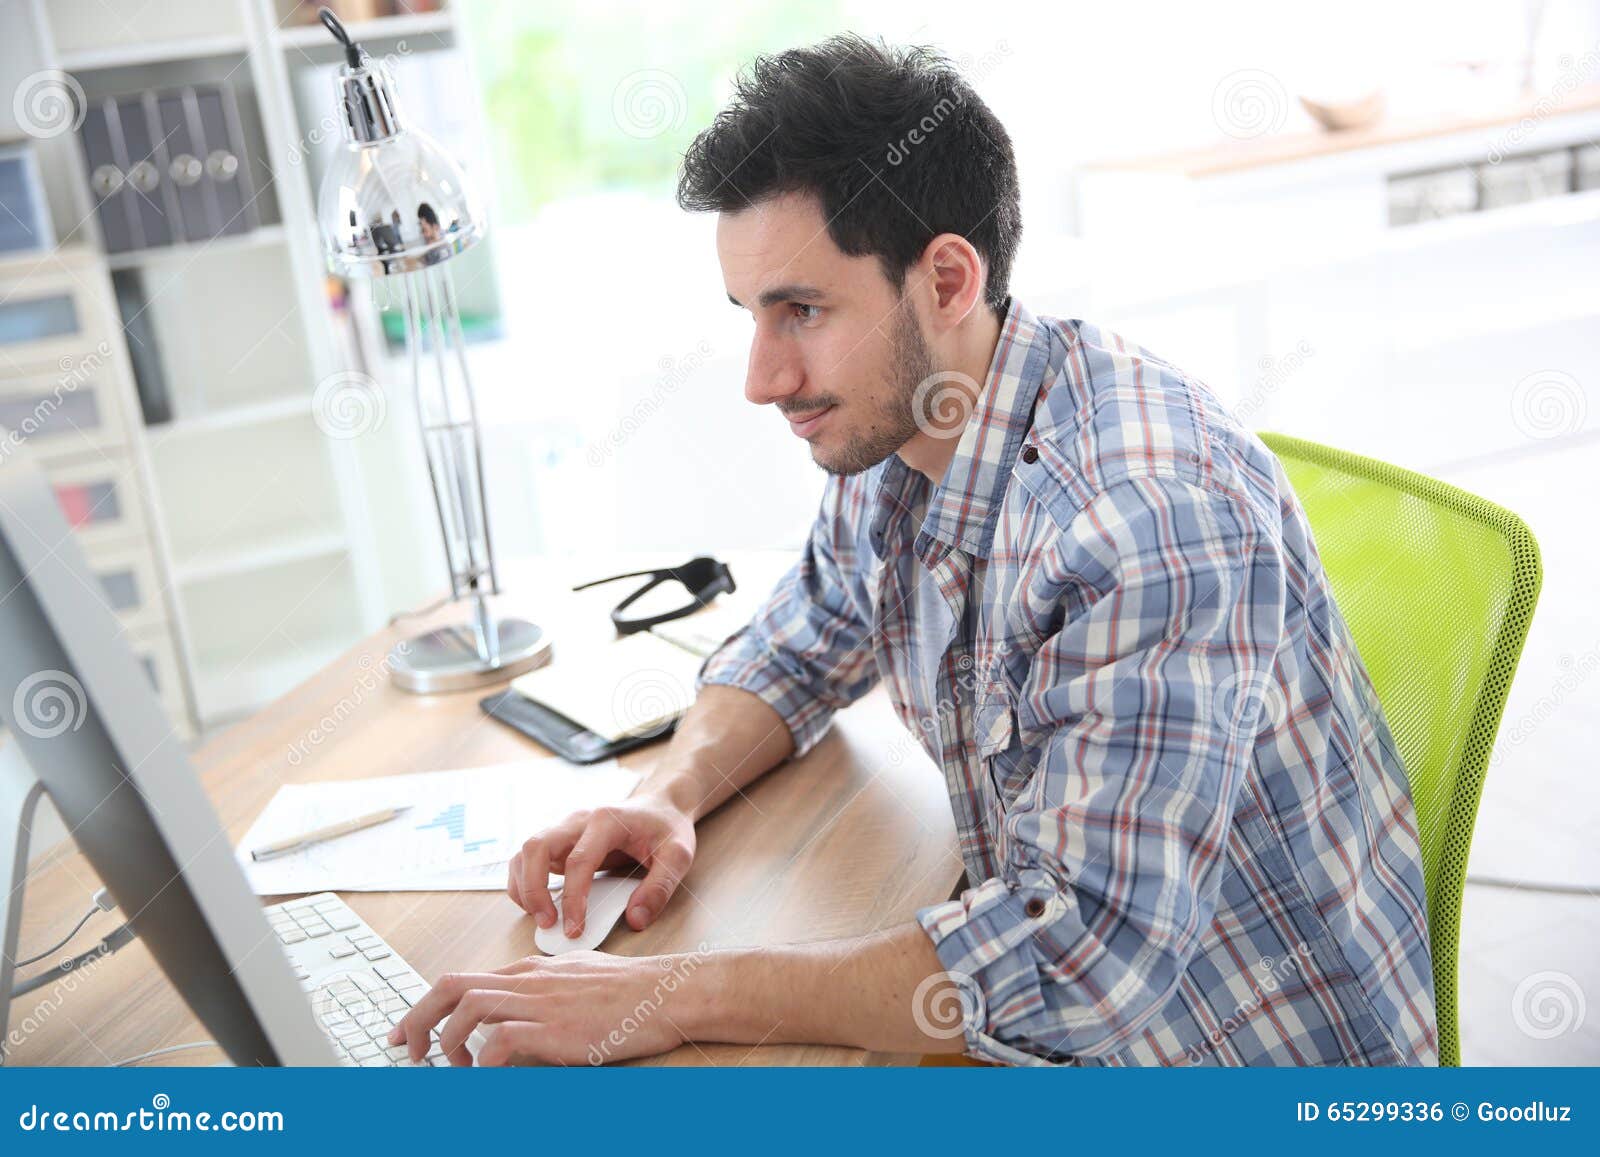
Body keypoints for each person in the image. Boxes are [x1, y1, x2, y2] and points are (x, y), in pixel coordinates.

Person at [392, 35, 1437, 1068]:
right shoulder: (913, 430)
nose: (761, 377)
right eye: (750, 316)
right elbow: (798, 644)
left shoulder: (1142, 521)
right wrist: (664, 794)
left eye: (800, 311)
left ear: (945, 280)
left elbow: (1076, 966)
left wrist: (672, 992)